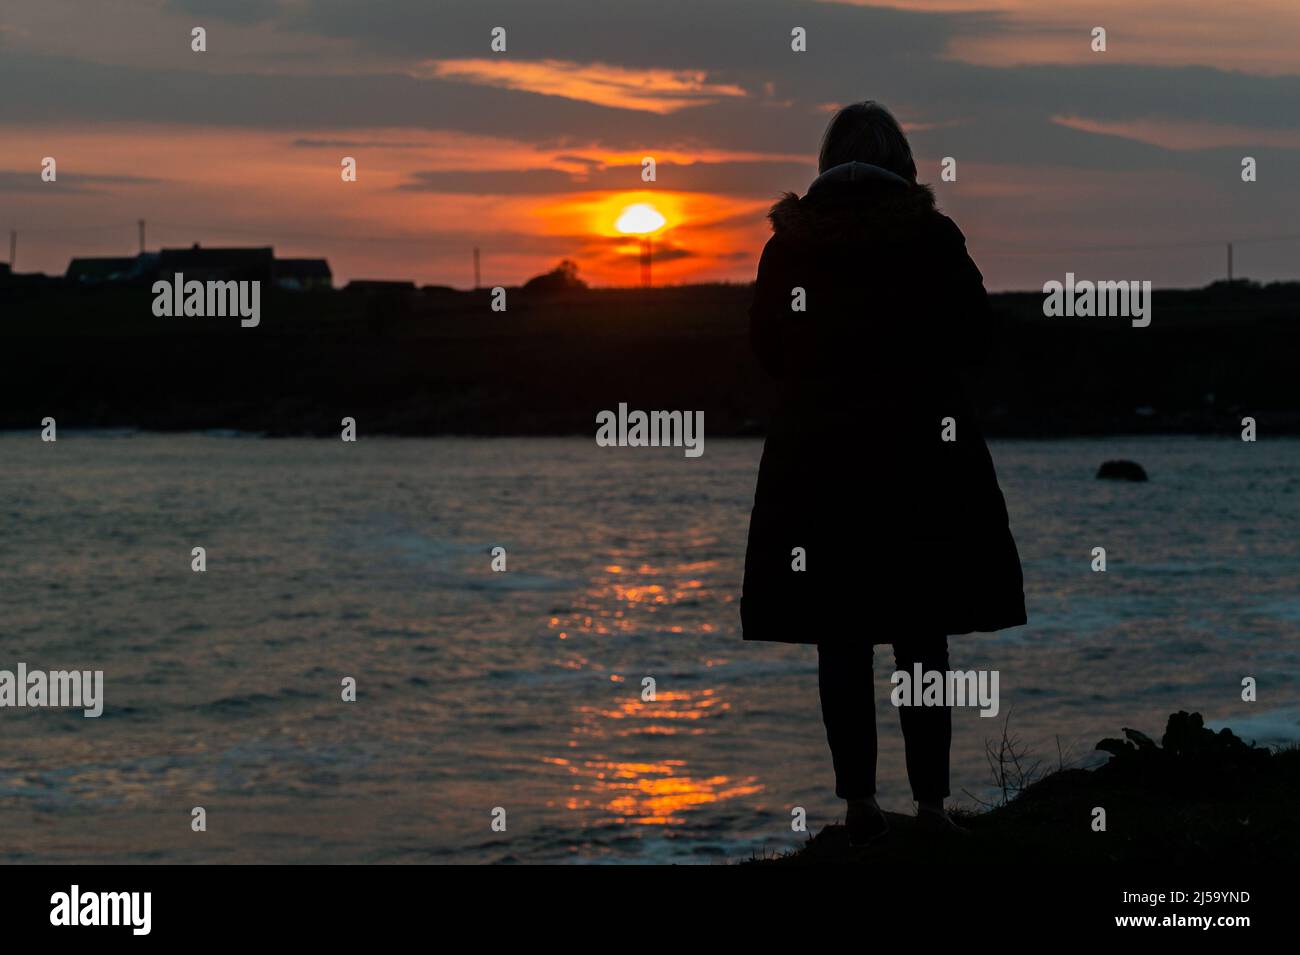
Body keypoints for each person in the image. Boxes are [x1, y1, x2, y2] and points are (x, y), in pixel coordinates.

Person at [740, 101, 1026, 845]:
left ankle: (859, 807)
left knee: (841, 633)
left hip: (818, 464)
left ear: (826, 163)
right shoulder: (929, 236)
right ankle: (932, 806)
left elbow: (766, 348)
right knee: (921, 634)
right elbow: (976, 336)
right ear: (902, 163)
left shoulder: (790, 245)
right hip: (920, 462)